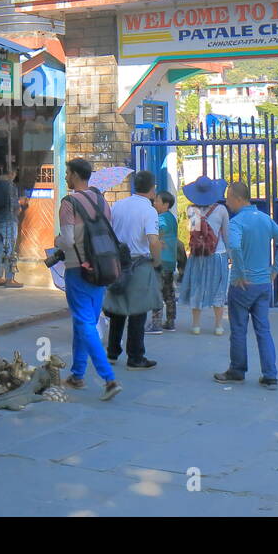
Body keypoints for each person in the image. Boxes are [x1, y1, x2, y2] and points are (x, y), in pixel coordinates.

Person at [214, 181, 278, 389]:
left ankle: (237, 370)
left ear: (238, 198)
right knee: (263, 329)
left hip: (242, 285)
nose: (227, 202)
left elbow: (235, 246)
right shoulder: (265, 219)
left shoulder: (237, 222)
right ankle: (270, 374)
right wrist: (274, 269)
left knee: (238, 329)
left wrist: (239, 271)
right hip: (263, 284)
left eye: (229, 198)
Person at [58, 158, 122, 400]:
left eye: (67, 173)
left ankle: (108, 379)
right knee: (84, 321)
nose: (66, 177)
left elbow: (67, 240)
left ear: (75, 175)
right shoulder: (101, 200)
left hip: (78, 268)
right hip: (103, 268)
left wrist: (56, 242)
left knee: (85, 324)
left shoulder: (69, 203)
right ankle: (77, 374)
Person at [103, 170, 162, 369]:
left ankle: (112, 351)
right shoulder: (149, 211)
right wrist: (157, 261)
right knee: (138, 311)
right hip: (139, 262)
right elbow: (153, 241)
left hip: (118, 261)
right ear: (153, 189)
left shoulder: (118, 205)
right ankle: (135, 356)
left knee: (118, 308)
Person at [178, 175, 232, 335]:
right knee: (219, 289)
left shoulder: (191, 210)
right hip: (218, 254)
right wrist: (230, 255)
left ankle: (196, 325)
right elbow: (226, 234)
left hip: (198, 255)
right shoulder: (221, 210)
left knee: (197, 287)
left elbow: (194, 232)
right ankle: (218, 326)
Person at [0, 167, 24, 288]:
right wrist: (20, 205)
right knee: (10, 250)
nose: (15, 176)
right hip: (9, 220)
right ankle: (10, 278)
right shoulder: (11, 186)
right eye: (14, 174)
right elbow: (14, 205)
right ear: (11, 173)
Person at [150, 190, 178, 332]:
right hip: (171, 260)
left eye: (157, 201)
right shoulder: (172, 218)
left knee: (157, 292)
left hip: (160, 259)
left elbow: (158, 232)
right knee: (169, 292)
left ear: (166, 204)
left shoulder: (161, 219)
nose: (154, 203)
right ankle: (170, 321)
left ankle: (156, 323)